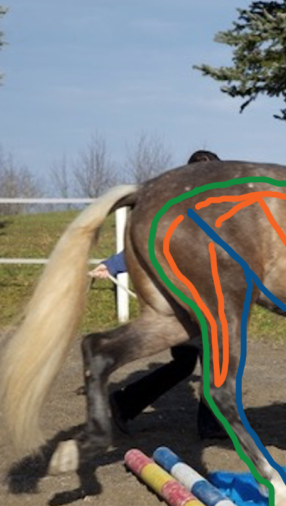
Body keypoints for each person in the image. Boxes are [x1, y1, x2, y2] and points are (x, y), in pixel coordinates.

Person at [88, 149, 224, 440]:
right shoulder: (186, 218)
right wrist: (111, 264)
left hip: (195, 302)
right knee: (214, 358)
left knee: (187, 363)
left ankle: (125, 403)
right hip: (190, 304)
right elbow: (148, 246)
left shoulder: (210, 214)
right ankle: (210, 424)